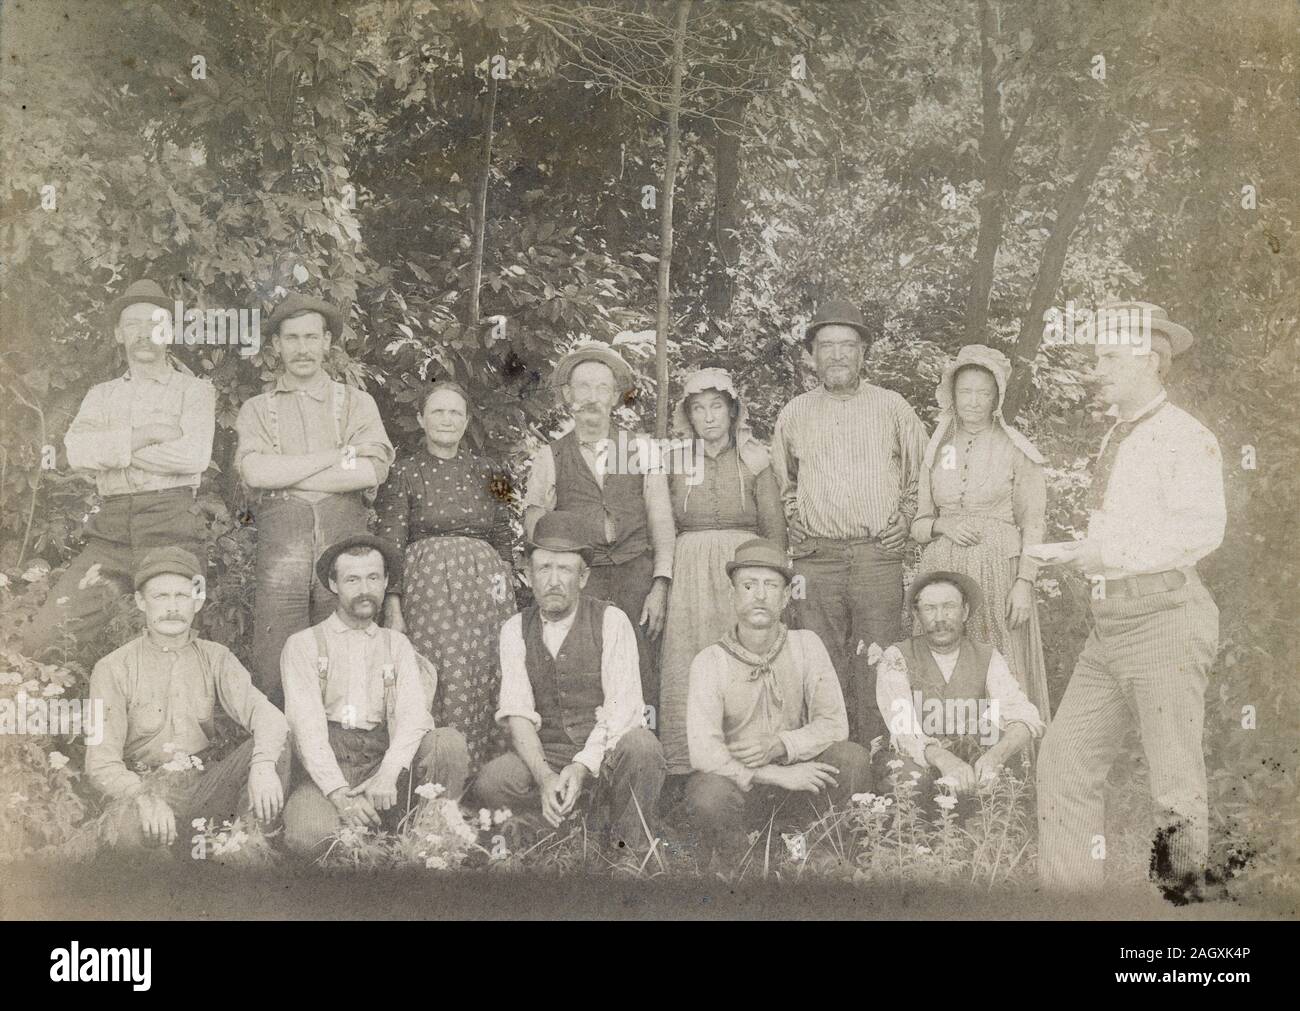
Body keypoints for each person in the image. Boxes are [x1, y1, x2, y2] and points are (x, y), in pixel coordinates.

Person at [1036, 302, 1225, 896]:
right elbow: (1119, 536)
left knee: (1174, 785)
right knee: (1064, 762)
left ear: (1150, 360)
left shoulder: (1185, 436)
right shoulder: (1116, 436)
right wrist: (1073, 552)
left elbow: (1201, 530)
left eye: (1111, 356)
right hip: (1110, 625)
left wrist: (1110, 555)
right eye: (1096, 357)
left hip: (1165, 620)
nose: (1099, 369)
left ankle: (1187, 924)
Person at [23, 279, 214, 662]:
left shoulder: (194, 392)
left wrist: (111, 448)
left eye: (154, 323)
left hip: (170, 528)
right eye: (132, 325)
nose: (143, 334)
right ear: (118, 333)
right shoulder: (102, 395)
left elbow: (192, 458)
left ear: (169, 332)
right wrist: (151, 435)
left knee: (171, 640)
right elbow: (76, 452)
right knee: (42, 640)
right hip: (109, 535)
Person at [770, 299, 928, 745]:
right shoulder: (795, 413)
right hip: (815, 560)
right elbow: (782, 481)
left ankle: (879, 758)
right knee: (819, 659)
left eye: (847, 345)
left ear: (864, 353)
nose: (837, 355)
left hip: (877, 555)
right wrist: (792, 518)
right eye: (826, 346)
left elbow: (924, 472)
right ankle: (832, 761)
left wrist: (907, 516)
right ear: (812, 355)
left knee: (878, 659)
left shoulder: (893, 407)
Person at [235, 293, 395, 706]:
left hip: (344, 540)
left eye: (311, 337)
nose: (302, 349)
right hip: (282, 544)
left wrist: (288, 471)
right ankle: (278, 752)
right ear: (276, 346)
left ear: (327, 342)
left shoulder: (358, 403)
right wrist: (336, 457)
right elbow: (255, 472)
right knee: (276, 652)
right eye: (291, 338)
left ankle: (349, 749)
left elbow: (370, 471)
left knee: (346, 641)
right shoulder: (256, 408)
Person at [472, 513, 665, 848]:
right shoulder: (514, 628)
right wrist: (545, 776)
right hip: (547, 754)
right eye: (544, 568)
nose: (554, 580)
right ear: (529, 576)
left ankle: (629, 847)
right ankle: (565, 825)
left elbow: (624, 712)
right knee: (493, 781)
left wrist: (580, 767)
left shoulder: (611, 621)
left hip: (602, 754)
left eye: (565, 569)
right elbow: (517, 712)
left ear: (583, 576)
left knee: (642, 747)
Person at [86, 547, 290, 851]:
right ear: (141, 601)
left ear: (197, 601)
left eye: (181, 596)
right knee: (128, 834)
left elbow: (267, 716)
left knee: (278, 741)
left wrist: (262, 766)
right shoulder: (113, 668)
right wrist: (144, 796)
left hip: (203, 786)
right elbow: (100, 762)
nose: (172, 608)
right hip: (144, 785)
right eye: (160, 597)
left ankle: (249, 849)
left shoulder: (216, 657)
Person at [280, 534, 470, 857]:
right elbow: (307, 730)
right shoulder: (303, 644)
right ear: (333, 583)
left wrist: (387, 775)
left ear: (385, 584)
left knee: (447, 742)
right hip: (331, 767)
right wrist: (339, 794)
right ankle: (365, 840)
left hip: (384, 768)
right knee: (308, 836)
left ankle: (426, 843)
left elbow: (414, 718)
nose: (364, 589)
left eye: (373, 578)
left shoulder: (397, 645)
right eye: (352, 579)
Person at [684, 538, 871, 860]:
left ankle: (819, 851)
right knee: (707, 793)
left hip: (803, 779)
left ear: (786, 597)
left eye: (771, 585)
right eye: (748, 585)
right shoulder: (709, 661)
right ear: (731, 595)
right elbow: (704, 752)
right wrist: (772, 774)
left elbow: (834, 724)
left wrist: (782, 744)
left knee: (851, 758)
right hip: (742, 785)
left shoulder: (806, 645)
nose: (759, 595)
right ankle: (745, 861)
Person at [522, 341, 675, 713]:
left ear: (616, 398)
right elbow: (535, 528)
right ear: (568, 396)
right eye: (584, 388)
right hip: (583, 581)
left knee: (641, 668)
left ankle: (642, 759)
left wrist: (660, 584)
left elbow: (661, 521)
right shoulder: (550, 455)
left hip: (635, 577)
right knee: (584, 668)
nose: (593, 397)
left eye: (603, 388)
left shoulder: (641, 449)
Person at [374, 380, 516, 774]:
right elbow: (392, 541)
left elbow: (504, 529)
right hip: (429, 589)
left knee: (488, 670)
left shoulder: (491, 470)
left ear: (467, 420)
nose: (447, 420)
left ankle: (488, 775)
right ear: (421, 418)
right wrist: (394, 606)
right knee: (441, 672)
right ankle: (441, 774)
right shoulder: (402, 472)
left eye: (455, 412)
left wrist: (506, 582)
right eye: (438, 411)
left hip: (485, 591)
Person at [910, 345, 1051, 723]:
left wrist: (1024, 581)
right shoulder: (936, 449)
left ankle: (1007, 766)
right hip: (943, 573)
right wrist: (943, 524)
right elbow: (919, 525)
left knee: (999, 663)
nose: (973, 401)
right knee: (944, 665)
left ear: (997, 398)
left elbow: (1034, 524)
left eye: (983, 392)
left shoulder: (1015, 448)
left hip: (997, 574)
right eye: (965, 391)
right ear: (952, 395)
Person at [659, 368, 785, 775]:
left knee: (743, 656)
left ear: (732, 412)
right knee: (689, 660)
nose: (709, 417)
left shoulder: (755, 458)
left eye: (716, 407)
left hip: (743, 566)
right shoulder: (673, 462)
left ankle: (751, 762)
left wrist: (773, 580)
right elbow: (662, 526)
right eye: (698, 409)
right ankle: (687, 766)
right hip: (689, 570)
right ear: (688, 416)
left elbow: (774, 530)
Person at [874, 571, 1043, 805]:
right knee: (907, 776)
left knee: (1003, 759)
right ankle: (916, 835)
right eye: (930, 608)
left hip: (970, 761)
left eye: (949, 607)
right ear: (917, 614)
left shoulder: (987, 655)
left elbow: (1025, 716)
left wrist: (995, 756)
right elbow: (903, 732)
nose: (940, 618)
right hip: (921, 762)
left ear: (964, 612)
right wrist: (944, 760)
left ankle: (984, 832)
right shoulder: (896, 657)